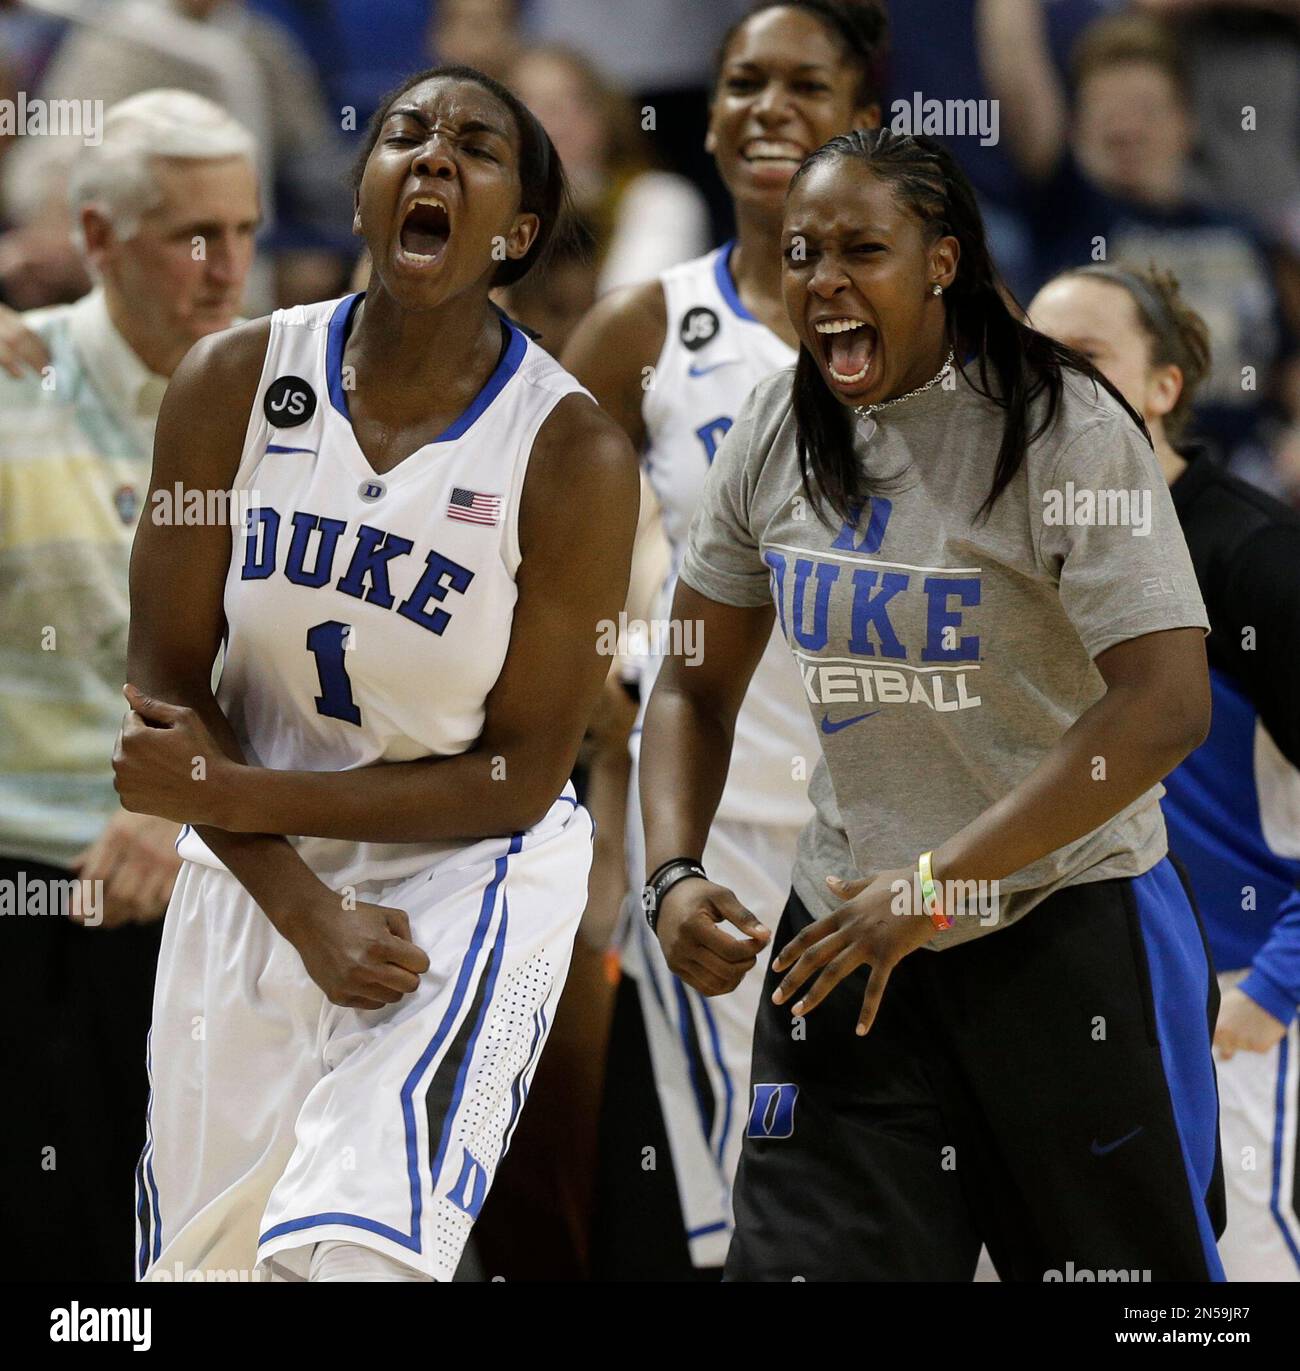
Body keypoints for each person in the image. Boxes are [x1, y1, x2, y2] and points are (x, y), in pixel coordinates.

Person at [641, 125, 1225, 1282]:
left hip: (1060, 936)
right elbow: (693, 683)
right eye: (804, 253)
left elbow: (1163, 708)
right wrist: (670, 871)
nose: (824, 282)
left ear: (941, 264)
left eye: (863, 249)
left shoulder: (1063, 427)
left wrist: (938, 887)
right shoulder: (775, 426)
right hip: (844, 937)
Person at [112, 63, 638, 1282]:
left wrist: (238, 799)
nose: (435, 155)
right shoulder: (230, 383)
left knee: (353, 1259)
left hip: (465, 872)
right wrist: (299, 900)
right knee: (201, 1275)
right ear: (363, 196)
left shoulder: (569, 454)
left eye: (478, 145)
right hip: (252, 871)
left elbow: (516, 778)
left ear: (513, 234)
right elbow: (166, 697)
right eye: (407, 134)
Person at [565, 0, 886, 1278]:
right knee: (746, 1203)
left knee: (911, 1182)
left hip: (910, 824)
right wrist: (596, 681)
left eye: (804, 85)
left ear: (862, 119)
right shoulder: (646, 328)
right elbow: (534, 544)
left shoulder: (945, 322)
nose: (768, 107)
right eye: (743, 81)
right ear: (707, 116)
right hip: (719, 818)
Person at [0, 88, 258, 1282]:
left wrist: (180, 798)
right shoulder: (14, 386)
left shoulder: (289, 408)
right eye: (190, 235)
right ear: (97, 238)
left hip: (218, 876)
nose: (226, 269)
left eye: (246, 231)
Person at [1029, 261, 1300, 1281]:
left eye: (1086, 359)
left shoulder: (1258, 561)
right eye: (1034, 359)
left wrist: (1270, 992)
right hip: (1065, 990)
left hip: (1232, 996)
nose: (1053, 381)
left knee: (1238, 1272)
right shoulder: (1015, 544)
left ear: (1163, 387)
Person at [979, 4, 1297, 483]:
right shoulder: (1068, 211)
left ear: (1186, 123)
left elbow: (1289, 365)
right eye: (1107, 111)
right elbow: (1018, 79)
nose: (1127, 128)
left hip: (1243, 479)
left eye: (1147, 110)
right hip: (1109, 476)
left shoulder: (1242, 234)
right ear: (1075, 124)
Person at [508, 45, 711, 294]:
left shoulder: (660, 199)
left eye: (573, 102)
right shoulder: (477, 210)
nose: (556, 120)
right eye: (531, 105)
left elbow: (632, 320)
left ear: (605, 118)